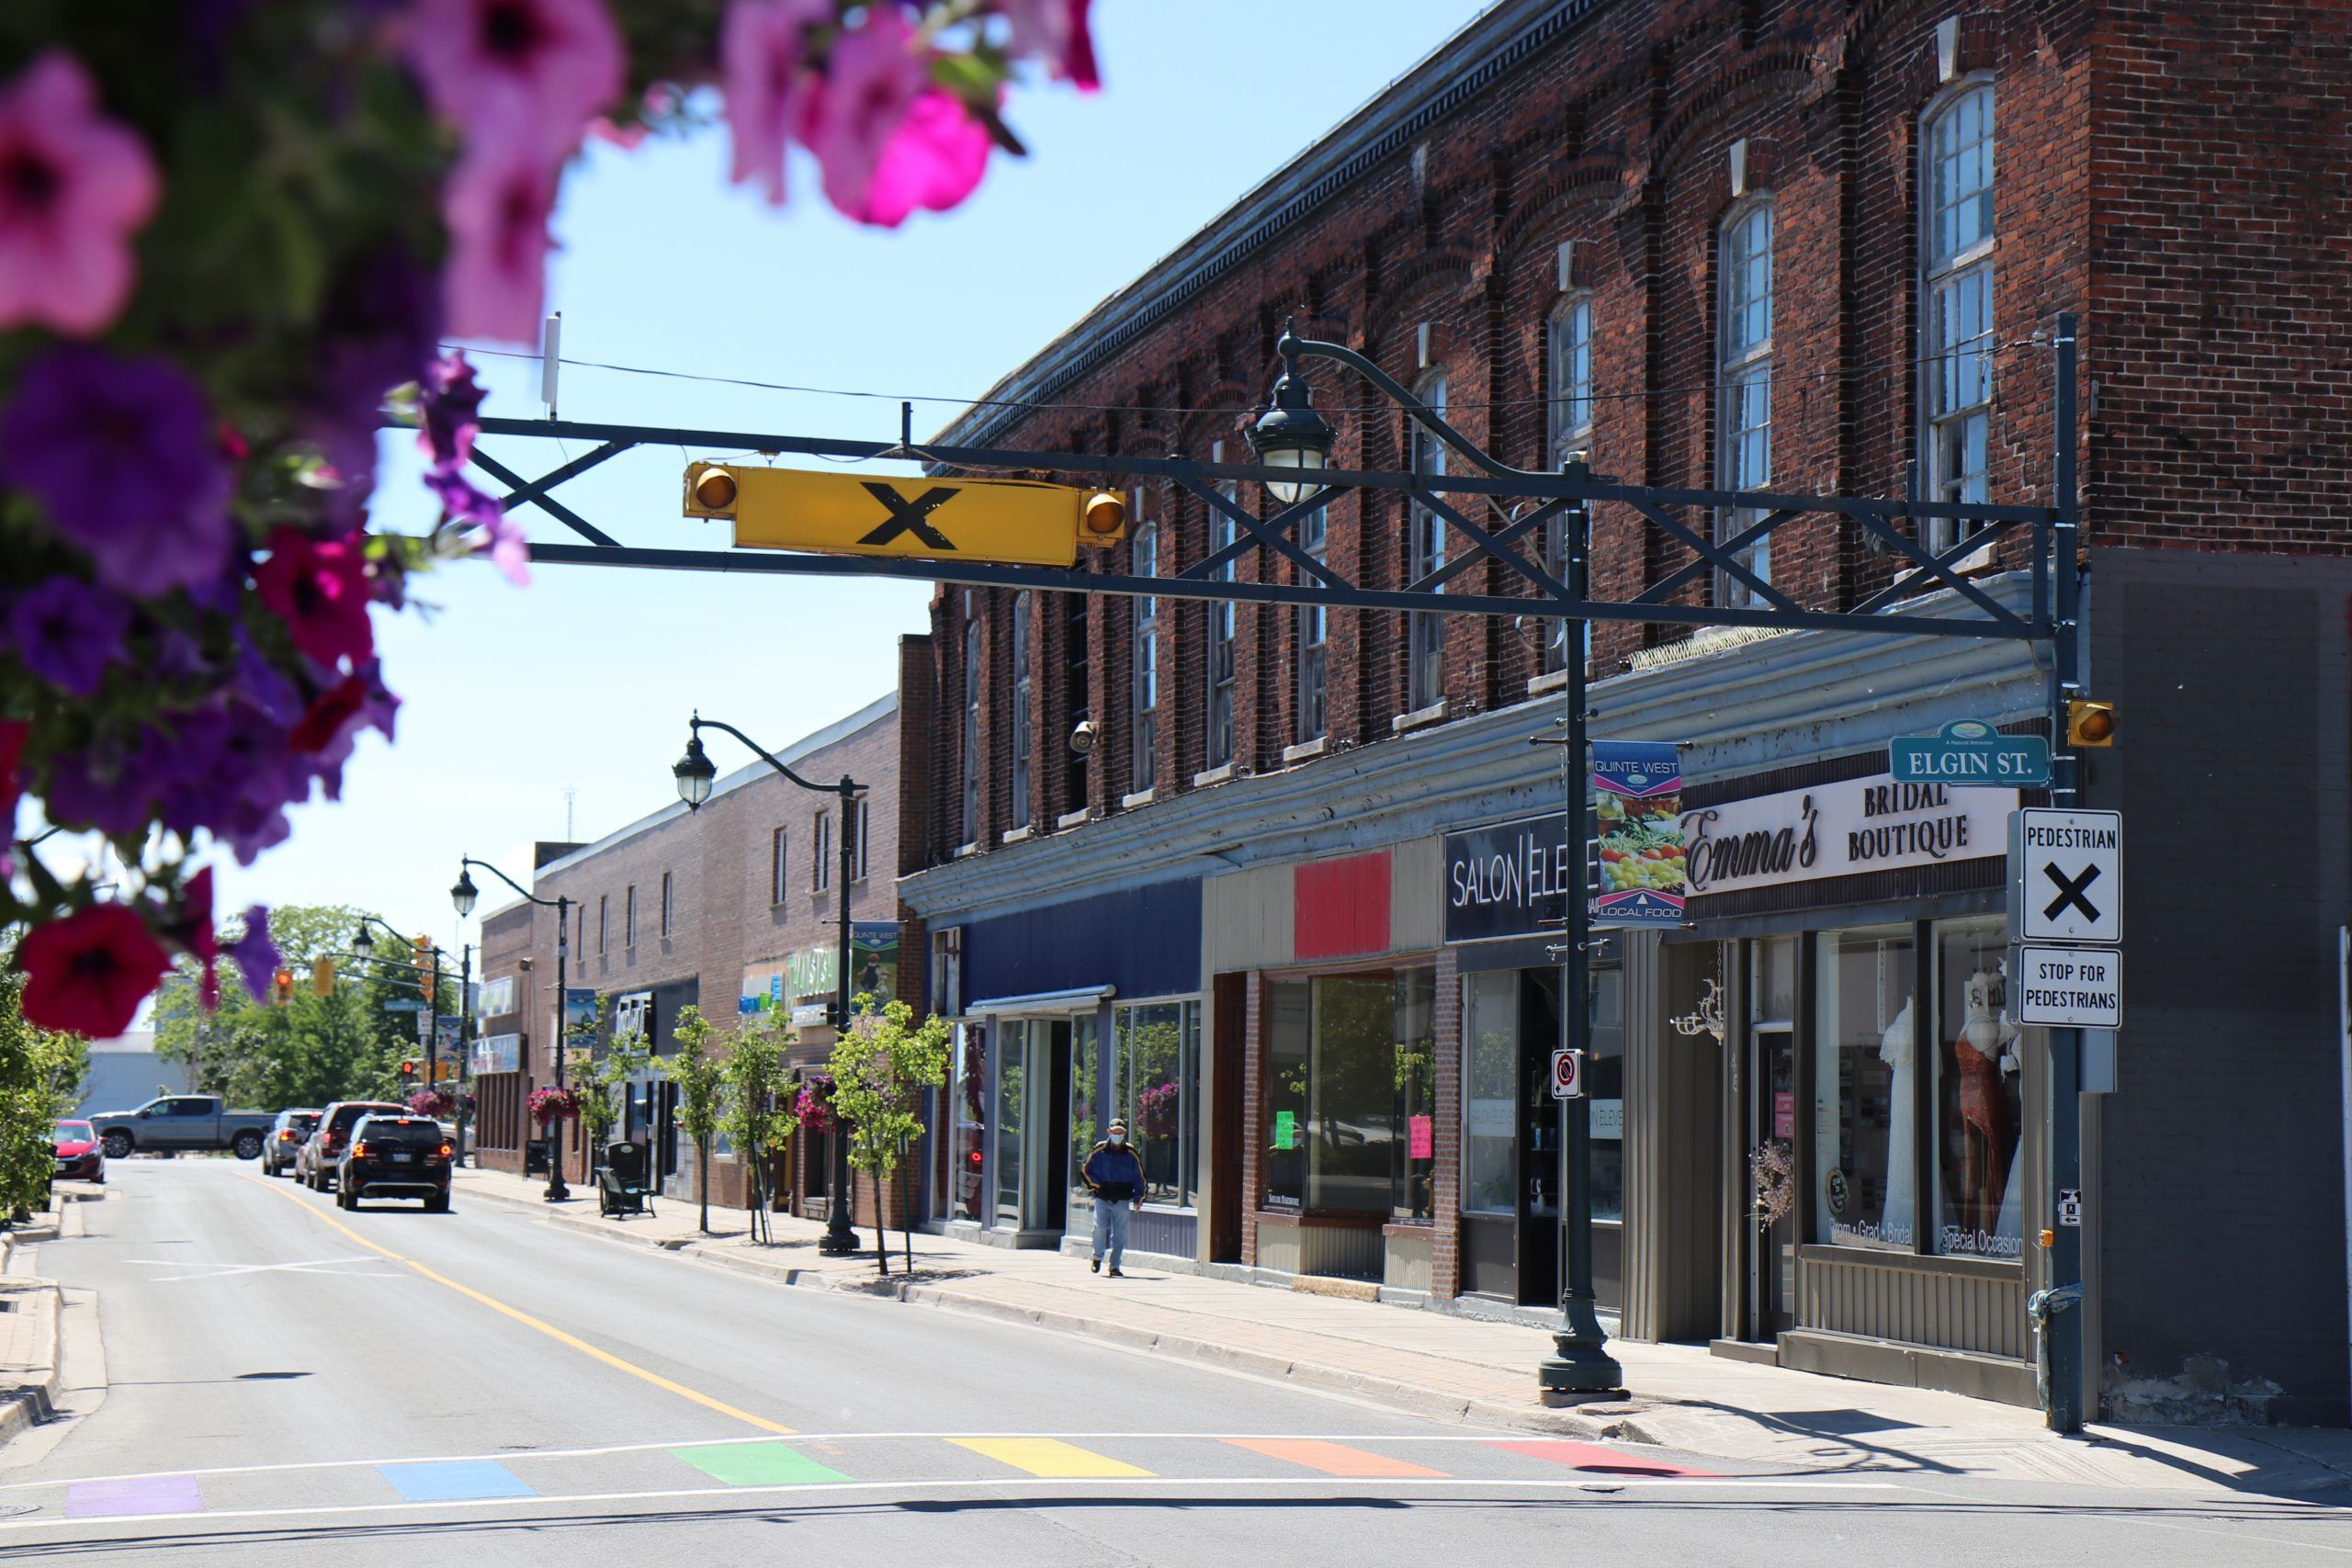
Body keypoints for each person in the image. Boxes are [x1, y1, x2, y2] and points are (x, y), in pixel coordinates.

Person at [1080, 1119, 1145, 1278]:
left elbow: (1139, 1176)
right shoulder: (1099, 1150)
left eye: (1120, 1133)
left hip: (1122, 1198)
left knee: (1120, 1234)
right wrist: (1096, 1185)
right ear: (1109, 1132)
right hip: (1103, 1197)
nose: (1117, 1135)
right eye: (1115, 1132)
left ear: (1124, 1134)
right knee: (1099, 1228)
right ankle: (1097, 1257)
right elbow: (1086, 1170)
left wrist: (1138, 1198)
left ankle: (1115, 1266)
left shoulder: (1131, 1153)